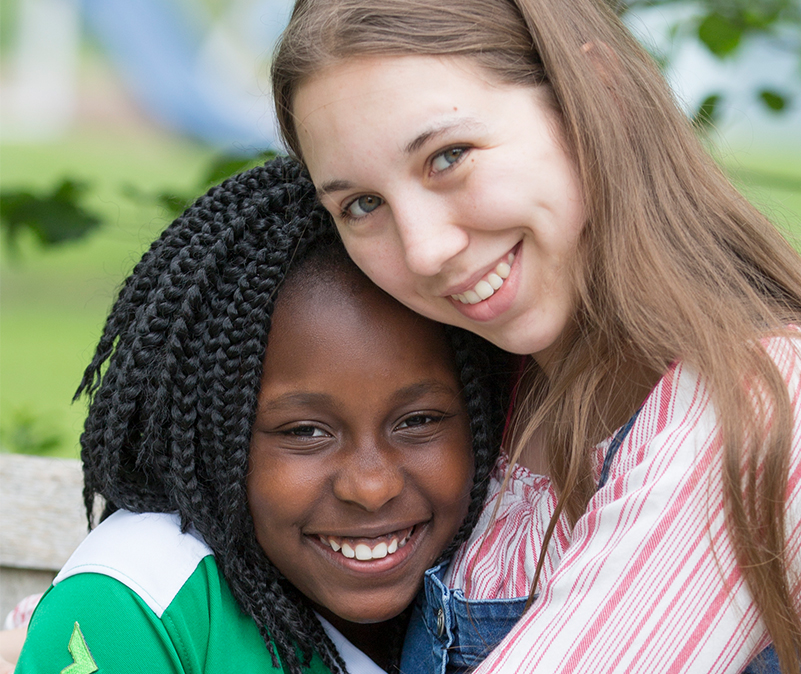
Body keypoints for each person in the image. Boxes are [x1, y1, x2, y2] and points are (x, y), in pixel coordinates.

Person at [271, 1, 801, 672]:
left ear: (599, 92)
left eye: (448, 156)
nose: (425, 249)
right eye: (361, 204)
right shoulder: (495, 393)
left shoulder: (767, 398)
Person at [15, 158, 510, 674]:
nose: (371, 487)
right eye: (306, 432)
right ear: (211, 440)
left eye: (418, 421)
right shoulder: (140, 600)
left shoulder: (513, 566)